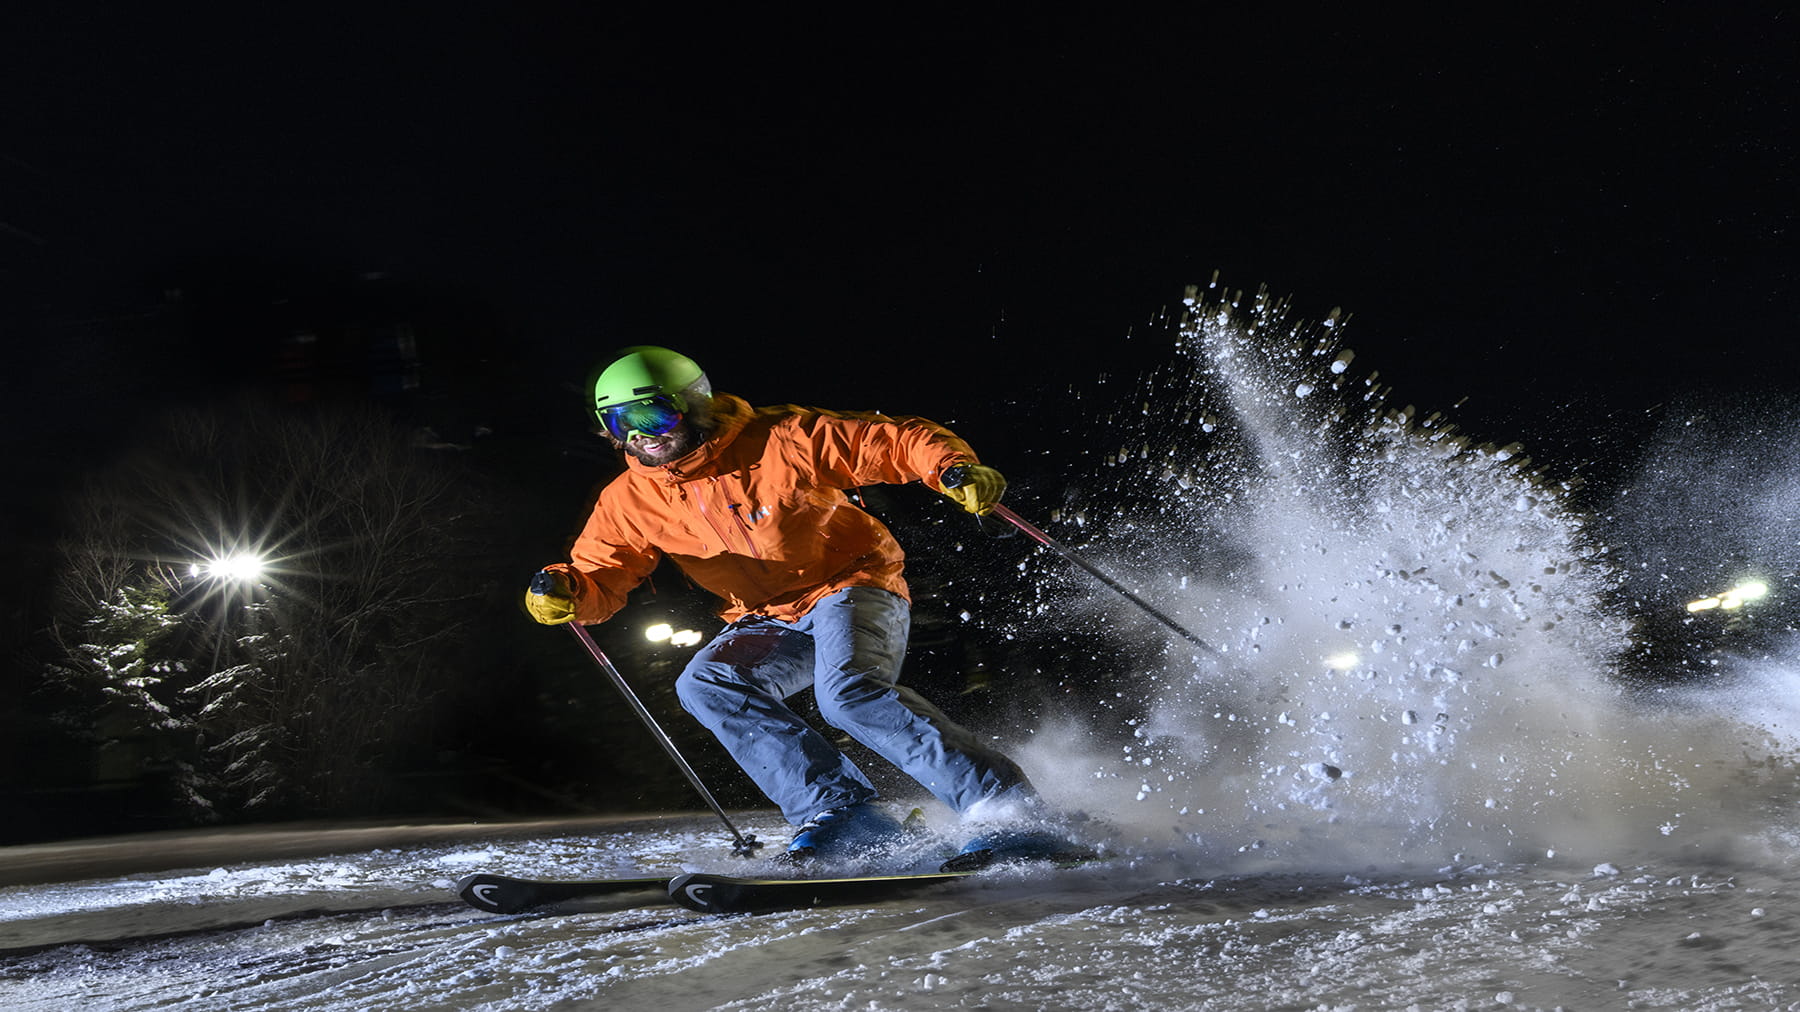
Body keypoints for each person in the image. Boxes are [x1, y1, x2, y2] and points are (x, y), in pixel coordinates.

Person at [525, 346, 1075, 865]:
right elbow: (603, 571)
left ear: (693, 404)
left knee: (848, 695)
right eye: (620, 423)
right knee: (707, 684)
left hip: (851, 584)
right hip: (767, 616)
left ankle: (1007, 809)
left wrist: (951, 468)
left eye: (654, 415)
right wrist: (569, 590)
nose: (641, 436)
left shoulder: (781, 439)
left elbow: (889, 440)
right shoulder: (630, 499)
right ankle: (846, 815)